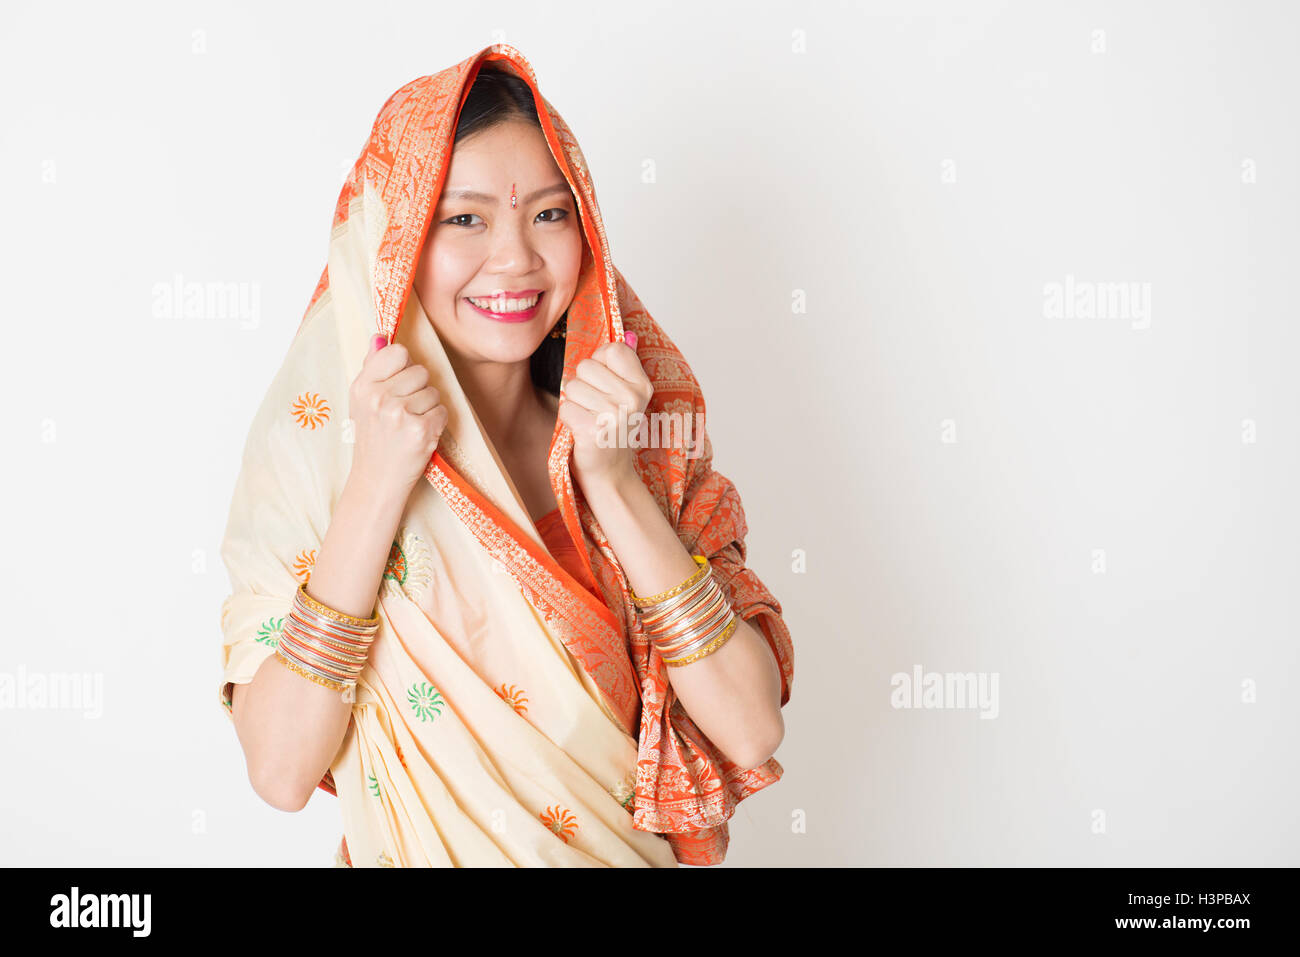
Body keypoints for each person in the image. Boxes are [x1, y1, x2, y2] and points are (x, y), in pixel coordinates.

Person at [216, 43, 794, 867]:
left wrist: (615, 486)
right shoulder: (314, 466)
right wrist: (377, 487)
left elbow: (750, 726)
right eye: (465, 218)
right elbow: (278, 769)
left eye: (550, 214)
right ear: (395, 240)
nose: (516, 258)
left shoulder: (641, 442)